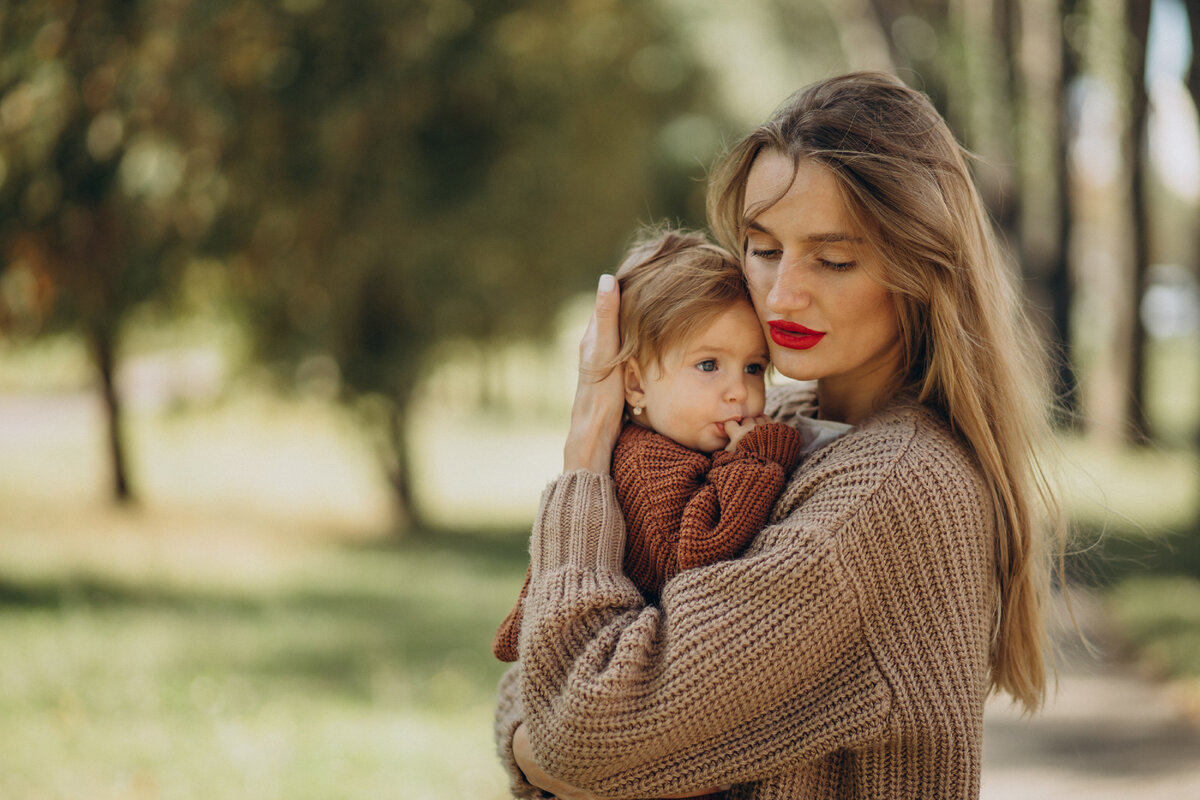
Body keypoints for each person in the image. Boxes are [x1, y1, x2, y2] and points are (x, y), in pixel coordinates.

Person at [494, 72, 1064, 800]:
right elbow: (543, 684)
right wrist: (536, 720)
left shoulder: (890, 490)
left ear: (923, 268)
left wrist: (584, 465)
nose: (783, 293)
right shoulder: (779, 430)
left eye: (833, 260)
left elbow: (578, 730)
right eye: (763, 250)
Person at [493, 229, 806, 674]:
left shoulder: (679, 441)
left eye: (754, 367)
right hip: (626, 662)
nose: (739, 391)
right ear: (636, 383)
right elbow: (699, 550)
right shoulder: (646, 464)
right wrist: (757, 457)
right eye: (708, 365)